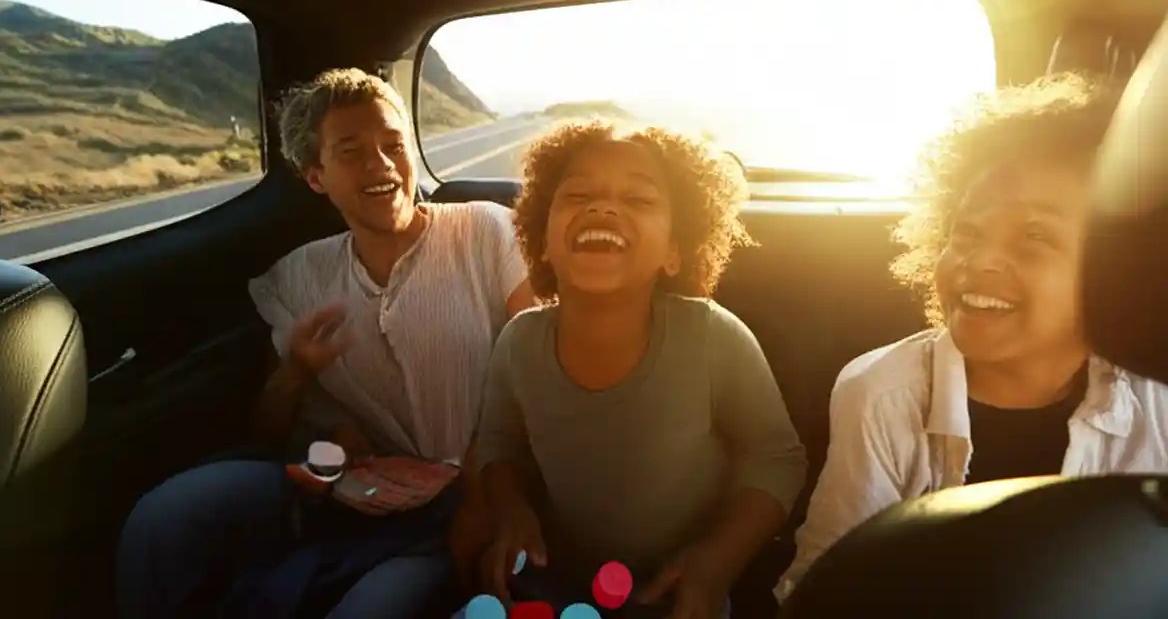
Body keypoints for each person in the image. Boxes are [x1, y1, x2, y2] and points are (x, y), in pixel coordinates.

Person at [116, 68, 536, 619]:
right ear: (315, 176)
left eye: (393, 145)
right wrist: (299, 373)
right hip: (348, 493)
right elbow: (270, 432)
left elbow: (540, 370)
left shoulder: (488, 231)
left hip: (471, 496)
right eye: (351, 151)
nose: (381, 165)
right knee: (165, 517)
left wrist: (482, 492)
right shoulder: (298, 277)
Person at [774, 73, 1168, 602]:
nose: (979, 260)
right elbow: (830, 582)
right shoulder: (881, 394)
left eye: (1034, 236)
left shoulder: (1155, 397)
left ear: (1116, 267)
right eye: (966, 232)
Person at [473, 121, 808, 618]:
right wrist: (512, 513)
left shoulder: (712, 338)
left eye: (639, 199)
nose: (603, 208)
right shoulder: (518, 343)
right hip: (556, 583)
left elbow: (777, 458)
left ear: (674, 250)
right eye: (579, 194)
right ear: (541, 240)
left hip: (681, 592)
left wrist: (716, 561)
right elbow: (498, 445)